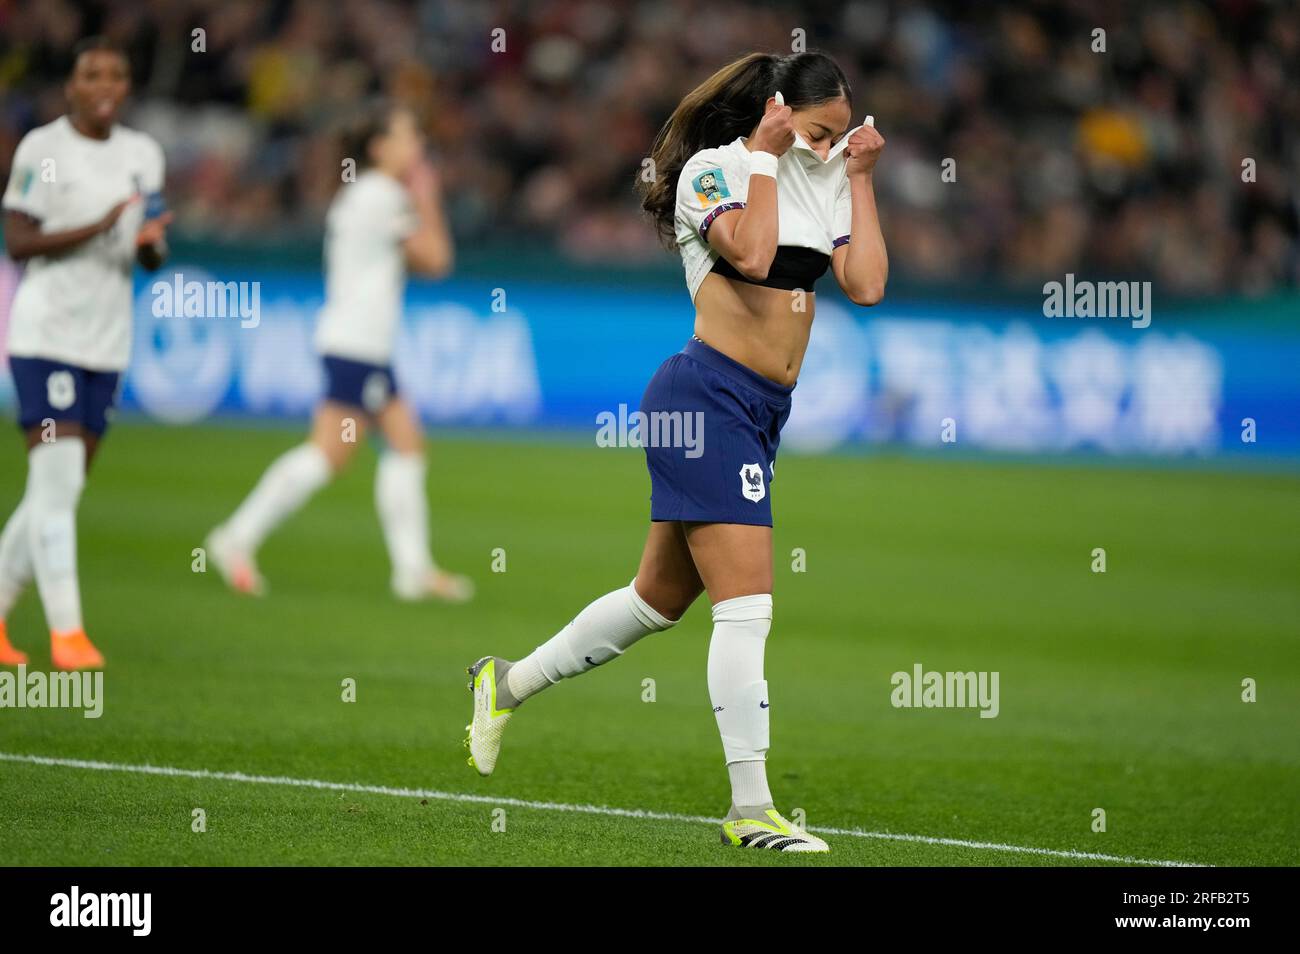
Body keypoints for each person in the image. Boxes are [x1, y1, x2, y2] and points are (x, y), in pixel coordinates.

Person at [462, 51, 887, 852]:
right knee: (748, 607)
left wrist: (859, 180)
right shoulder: (713, 172)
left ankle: (503, 684)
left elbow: (865, 284)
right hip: (703, 399)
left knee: (656, 600)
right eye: (820, 131)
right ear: (778, 110)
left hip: (761, 410)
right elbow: (755, 257)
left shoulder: (827, 174)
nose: (830, 146)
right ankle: (750, 806)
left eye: (840, 136)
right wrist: (764, 158)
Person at [205, 105, 472, 604]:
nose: (416, 145)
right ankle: (235, 537)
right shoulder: (385, 196)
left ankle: (412, 570)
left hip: (356, 342)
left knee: (406, 444)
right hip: (358, 344)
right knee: (330, 454)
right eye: (407, 136)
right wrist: (428, 196)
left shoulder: (361, 195)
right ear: (378, 147)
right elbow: (437, 261)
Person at [0, 37, 170, 670]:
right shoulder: (43, 150)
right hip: (45, 338)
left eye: (117, 74)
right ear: (70, 85)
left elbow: (146, 253)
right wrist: (98, 225)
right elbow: (17, 240)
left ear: (127, 86)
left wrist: (150, 244)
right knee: (59, 482)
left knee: (57, 492)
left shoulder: (142, 155)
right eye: (91, 73)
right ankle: (68, 634)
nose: (105, 84)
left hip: (107, 344)